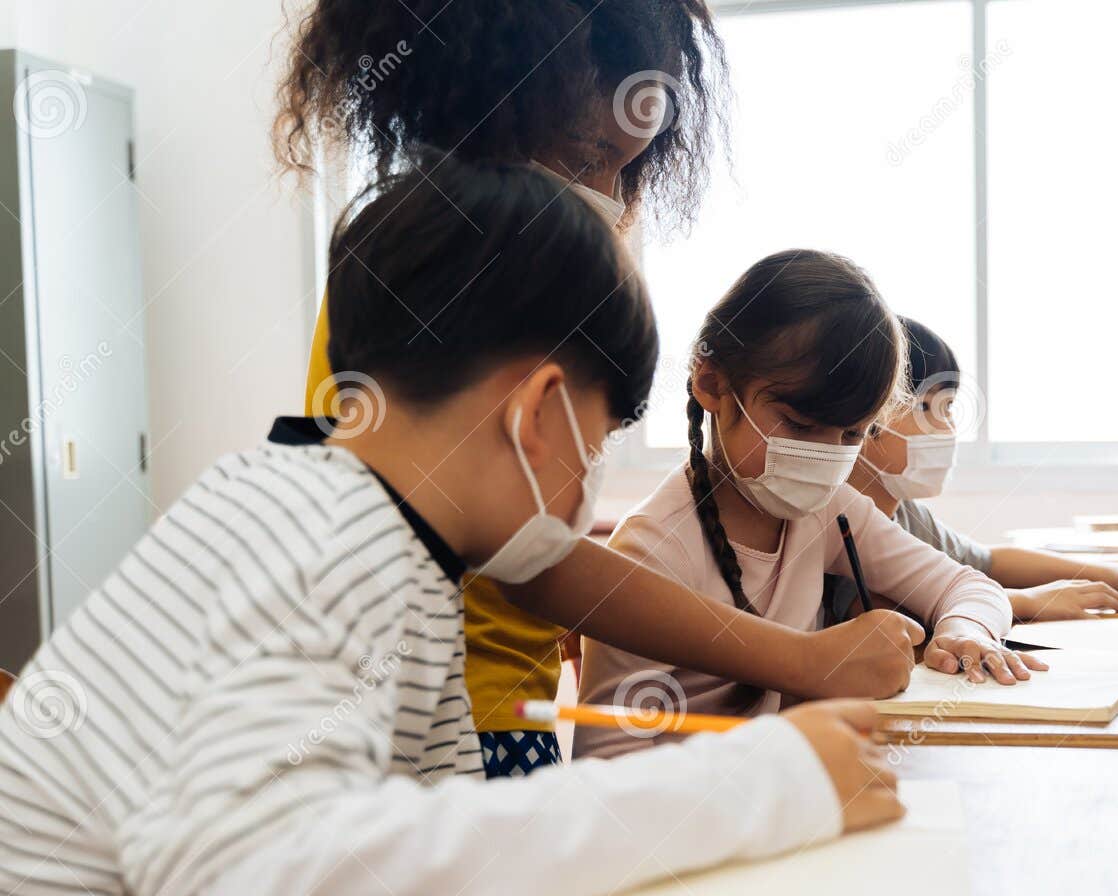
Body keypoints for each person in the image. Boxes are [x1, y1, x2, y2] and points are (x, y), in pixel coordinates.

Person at [0, 159, 901, 896]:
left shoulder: (354, 521)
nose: (593, 474)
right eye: (603, 434)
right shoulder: (330, 541)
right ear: (539, 411)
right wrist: (753, 785)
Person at [276, 0, 916, 774]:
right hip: (461, 729)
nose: (611, 196)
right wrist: (807, 660)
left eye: (626, 165)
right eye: (586, 157)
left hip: (489, 710)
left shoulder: (420, 248)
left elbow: (527, 541)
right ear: (491, 112)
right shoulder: (454, 278)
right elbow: (541, 561)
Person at [578, 253, 1040, 759]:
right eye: (799, 426)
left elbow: (966, 584)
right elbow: (604, 765)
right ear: (712, 385)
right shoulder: (654, 547)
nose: (824, 455)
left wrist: (965, 628)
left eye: (851, 434)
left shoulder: (829, 511)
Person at [833, 316, 1118, 624]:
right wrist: (1025, 601)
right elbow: (889, 614)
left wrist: (1114, 574)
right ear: (865, 416)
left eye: (948, 407)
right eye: (923, 406)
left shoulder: (907, 514)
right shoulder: (841, 518)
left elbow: (989, 561)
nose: (946, 427)